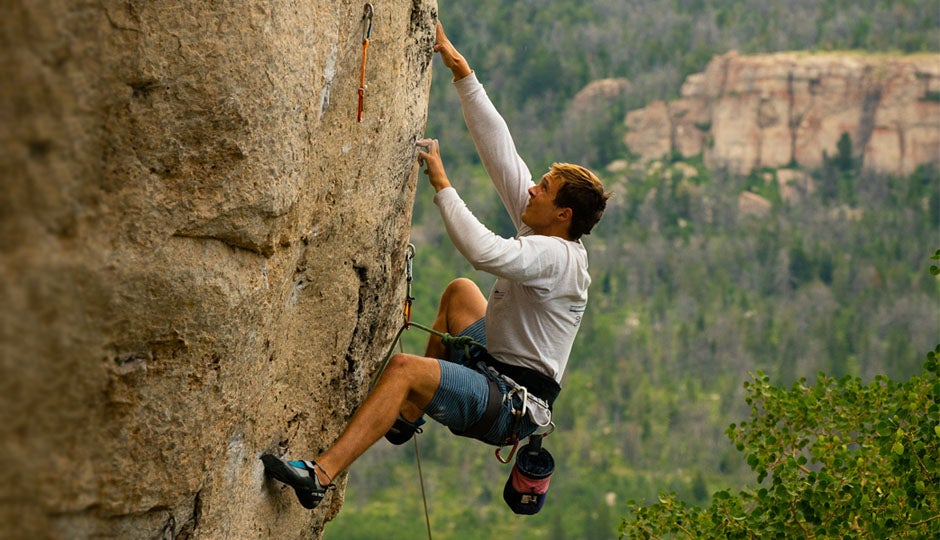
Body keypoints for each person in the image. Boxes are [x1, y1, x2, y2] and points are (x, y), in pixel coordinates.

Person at [260, 20, 610, 511]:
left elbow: (486, 250)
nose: (533, 188)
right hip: (499, 361)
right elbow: (501, 154)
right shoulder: (545, 227)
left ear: (563, 214)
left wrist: (443, 185)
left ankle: (320, 475)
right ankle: (406, 412)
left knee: (404, 367)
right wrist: (463, 74)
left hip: (507, 405)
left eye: (544, 188)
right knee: (461, 292)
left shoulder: (557, 258)